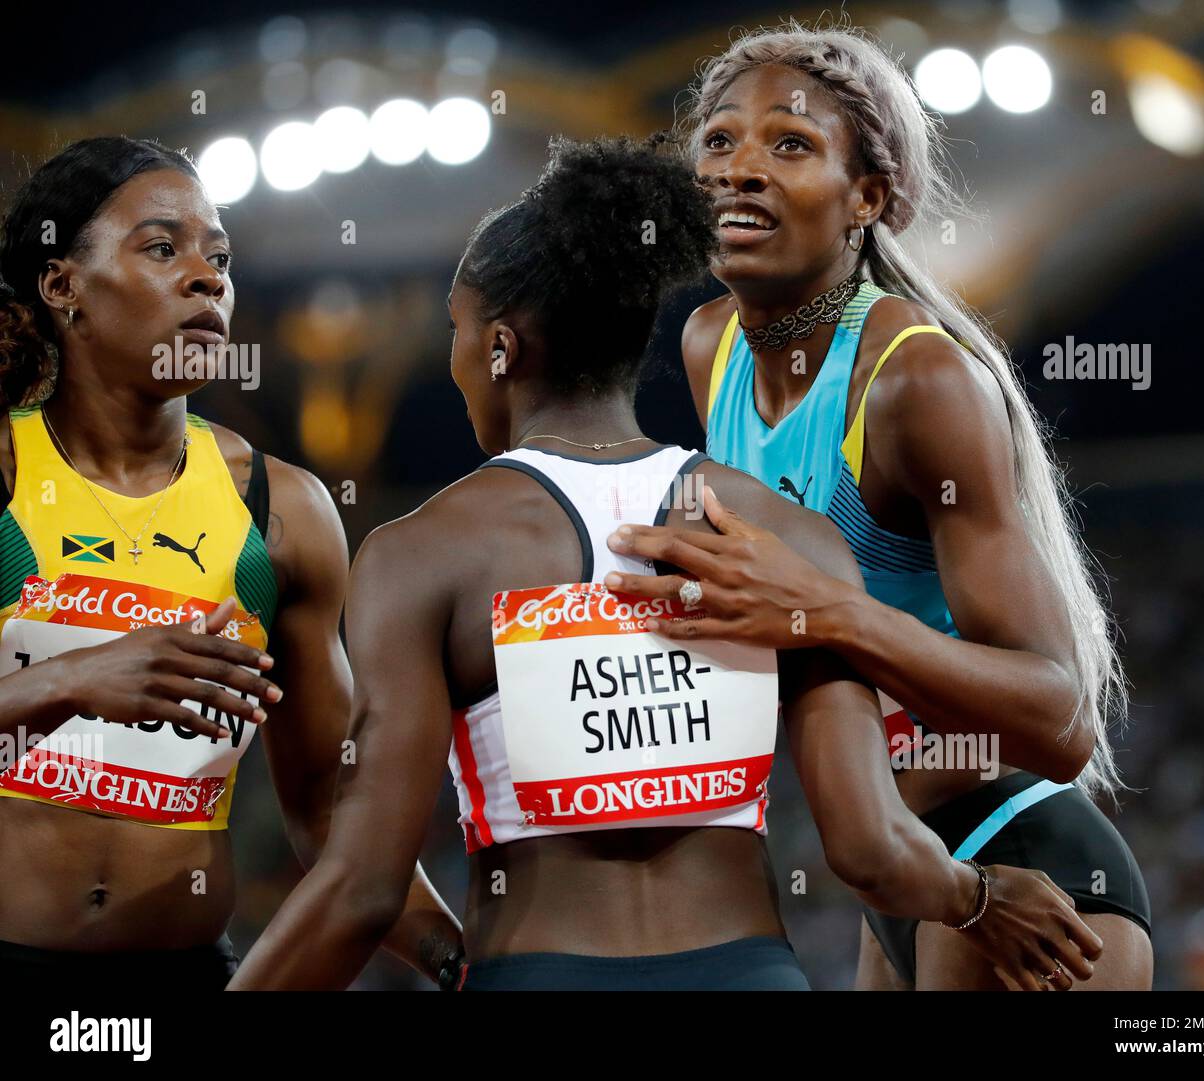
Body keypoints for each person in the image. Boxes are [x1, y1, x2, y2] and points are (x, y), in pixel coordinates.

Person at [229, 136, 1102, 992]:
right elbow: (872, 848)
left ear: (500, 348)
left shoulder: (421, 555)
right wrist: (980, 897)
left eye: (458, 333)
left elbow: (363, 886)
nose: (456, 363)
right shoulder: (785, 540)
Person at [600, 23, 1152, 990]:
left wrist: (820, 608)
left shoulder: (915, 382)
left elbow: (1061, 720)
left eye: (791, 145)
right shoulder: (709, 346)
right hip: (900, 870)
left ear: (869, 198)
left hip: (1020, 858)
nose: (740, 169)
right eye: (720, 141)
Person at [0, 136, 459, 989]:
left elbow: (331, 820)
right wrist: (68, 679)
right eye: (163, 248)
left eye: (221, 257)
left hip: (186, 970)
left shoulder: (282, 513)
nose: (209, 278)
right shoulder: (7, 474)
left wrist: (458, 957)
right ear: (63, 285)